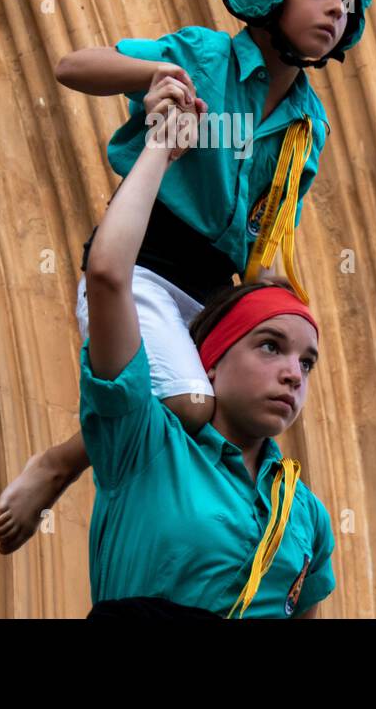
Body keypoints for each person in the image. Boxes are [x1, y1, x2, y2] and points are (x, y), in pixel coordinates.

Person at [0, 0, 376, 554]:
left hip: (211, 292)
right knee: (192, 405)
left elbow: (267, 244)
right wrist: (157, 74)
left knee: (227, 417)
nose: (336, 7)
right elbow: (72, 66)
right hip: (142, 264)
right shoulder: (203, 56)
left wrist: (282, 314)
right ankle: (60, 461)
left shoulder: (308, 127)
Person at [80, 99, 334, 617]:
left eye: (306, 364)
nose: (293, 373)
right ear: (211, 361)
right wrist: (160, 148)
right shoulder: (142, 440)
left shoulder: (304, 512)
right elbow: (108, 276)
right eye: (270, 346)